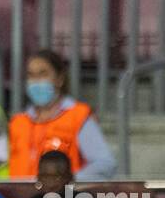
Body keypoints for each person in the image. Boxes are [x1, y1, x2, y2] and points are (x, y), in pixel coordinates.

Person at [8, 49, 116, 181]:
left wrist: (66, 181)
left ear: (59, 79)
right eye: (31, 75)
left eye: (43, 74)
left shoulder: (78, 116)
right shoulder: (17, 122)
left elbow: (105, 164)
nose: (36, 81)